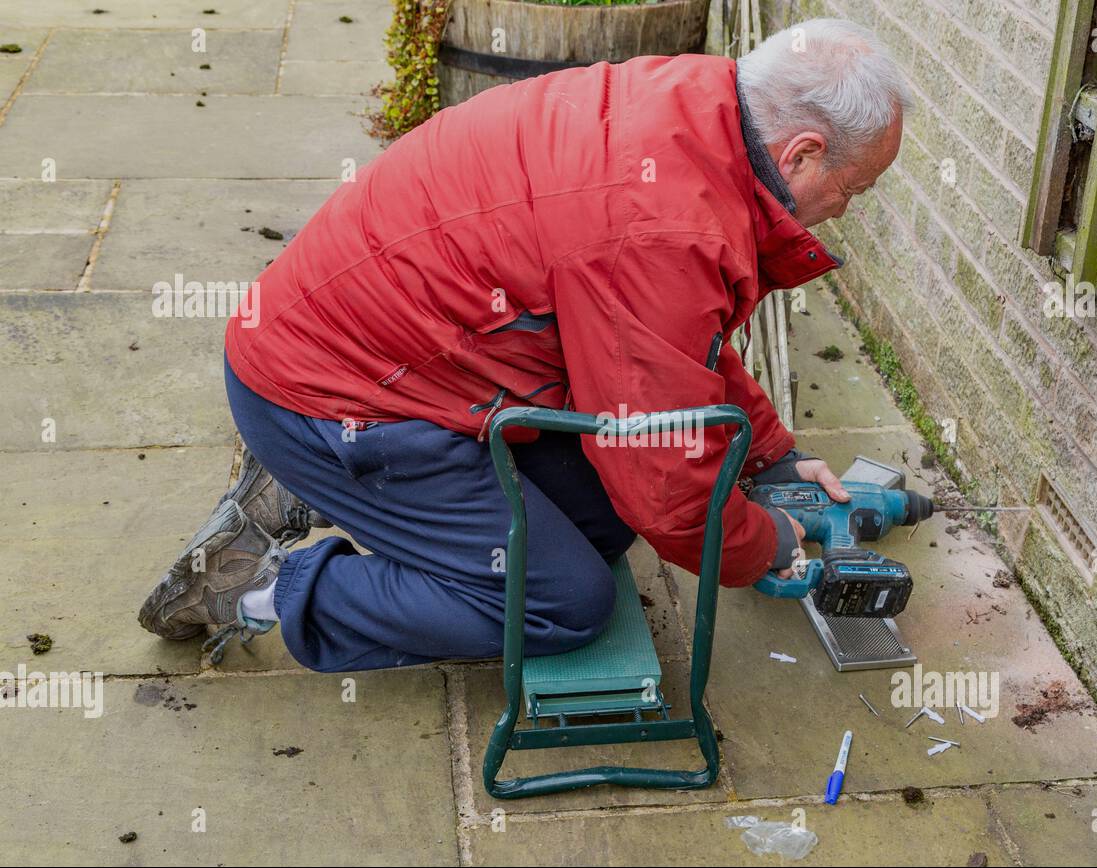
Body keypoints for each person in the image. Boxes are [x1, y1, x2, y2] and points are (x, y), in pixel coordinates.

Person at [137, 18, 911, 672]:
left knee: (603, 518)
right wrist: (762, 542)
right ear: (802, 153)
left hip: (372, 357)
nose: (844, 210)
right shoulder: (660, 220)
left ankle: (310, 484)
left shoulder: (692, 112)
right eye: (855, 188)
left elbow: (674, 342)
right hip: (334, 395)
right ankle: (255, 587)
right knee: (560, 604)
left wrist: (767, 455)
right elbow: (669, 491)